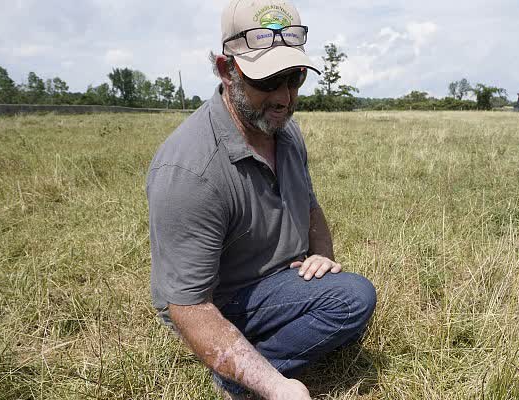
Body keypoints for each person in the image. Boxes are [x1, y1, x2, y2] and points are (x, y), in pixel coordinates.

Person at [145, 0, 377, 398]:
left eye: (294, 77)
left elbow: (310, 206)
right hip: (223, 302)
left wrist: (322, 252)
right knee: (352, 300)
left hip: (280, 278)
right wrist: (276, 387)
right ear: (226, 70)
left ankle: (248, 361)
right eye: (268, 81)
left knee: (348, 303)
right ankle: (236, 376)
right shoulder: (190, 171)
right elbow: (187, 306)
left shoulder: (284, 131)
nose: (285, 97)